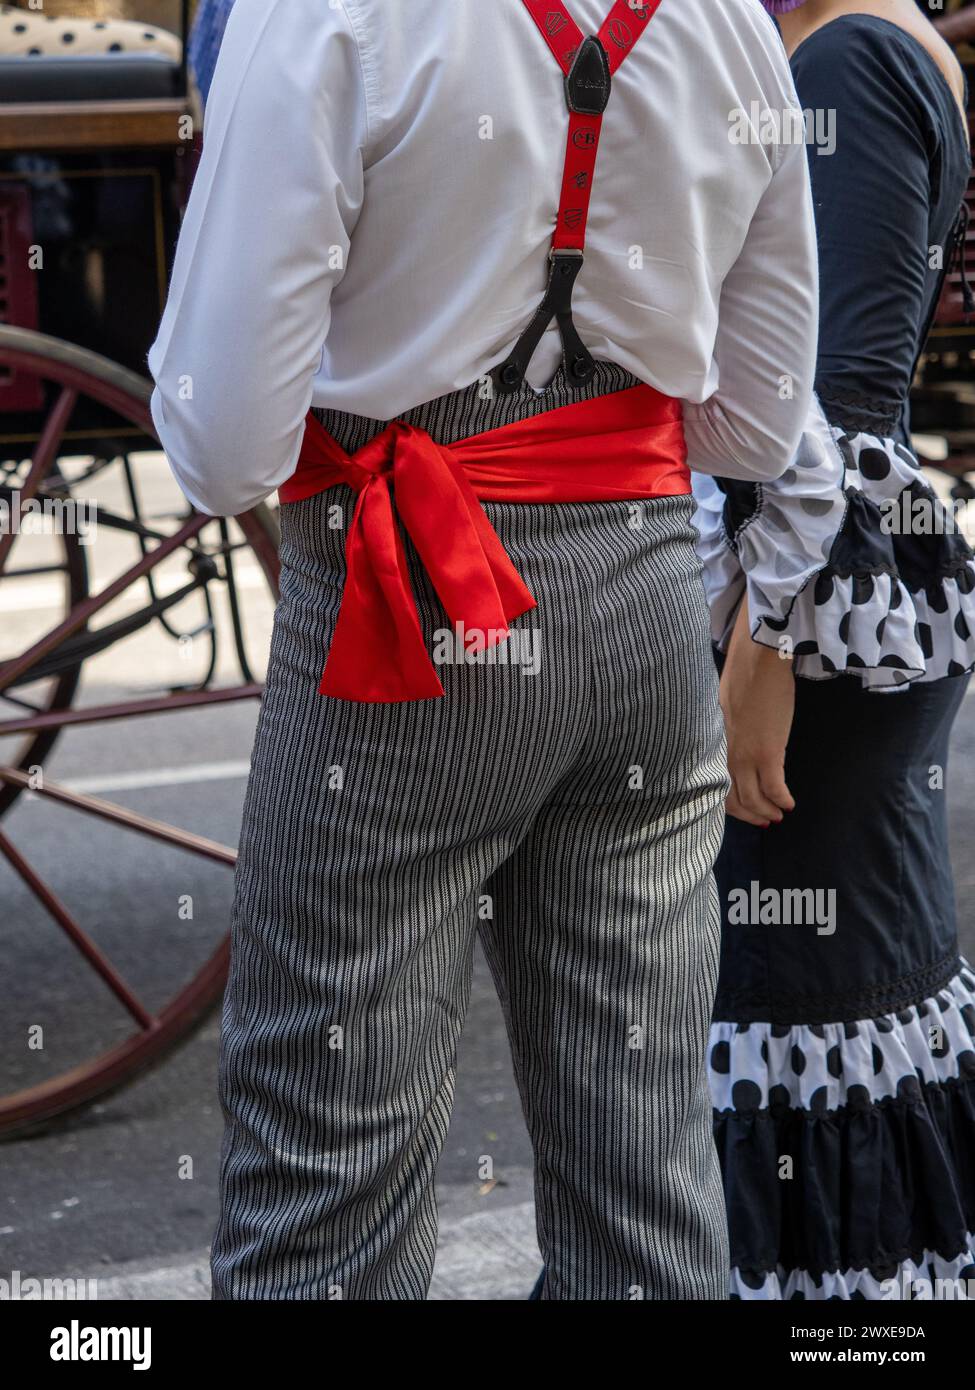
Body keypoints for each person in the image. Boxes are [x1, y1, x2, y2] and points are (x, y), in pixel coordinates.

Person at [147, 0, 819, 1300]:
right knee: (647, 1189)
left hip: (405, 612)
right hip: (641, 611)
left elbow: (221, 444)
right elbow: (755, 422)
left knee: (324, 1192)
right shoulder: (732, 22)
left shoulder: (328, 17)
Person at [694, 0, 975, 1299]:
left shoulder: (844, 57)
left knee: (792, 1021)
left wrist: (763, 645)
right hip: (838, 605)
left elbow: (844, 399)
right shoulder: (860, 44)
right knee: (842, 1019)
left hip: (818, 622)